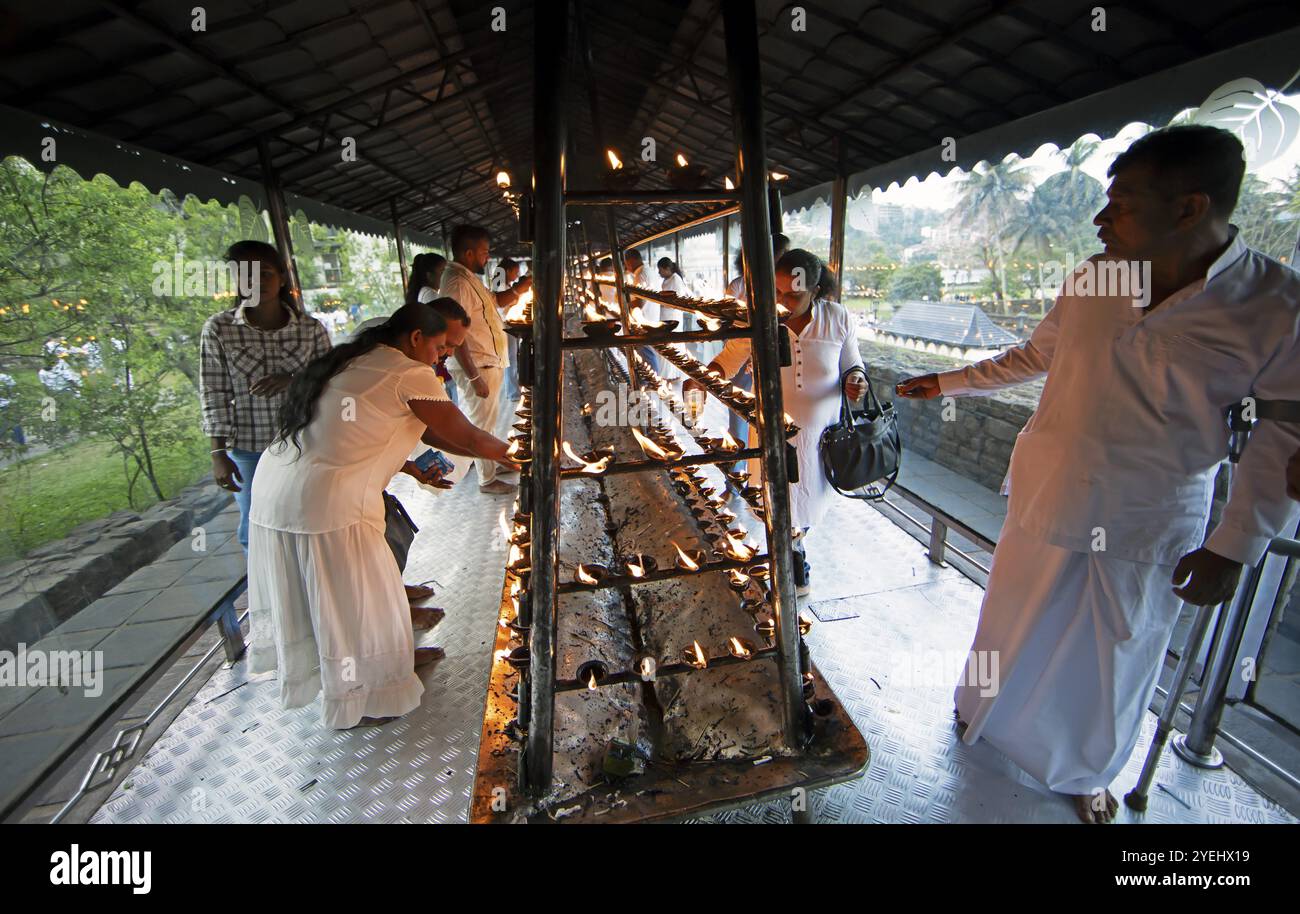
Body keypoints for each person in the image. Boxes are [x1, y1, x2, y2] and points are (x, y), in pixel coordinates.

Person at [897, 125, 1300, 823]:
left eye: (1122, 203)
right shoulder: (1096, 275)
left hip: (1151, 510)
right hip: (1051, 484)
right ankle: (976, 713)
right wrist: (952, 381)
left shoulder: (1274, 305)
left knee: (1121, 647)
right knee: (1007, 619)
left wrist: (1236, 544)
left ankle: (1086, 770)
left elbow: (1283, 431)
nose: (1101, 219)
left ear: (1189, 208)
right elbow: (1036, 355)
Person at [246, 302, 516, 729]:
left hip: (281, 487)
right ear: (414, 339)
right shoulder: (408, 371)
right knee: (354, 602)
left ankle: (390, 668)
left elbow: (426, 431)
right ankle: (358, 699)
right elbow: (462, 433)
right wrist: (521, 453)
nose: (443, 357)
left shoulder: (360, 358)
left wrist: (414, 465)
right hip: (324, 503)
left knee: (368, 593)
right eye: (442, 347)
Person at [685, 249, 865, 597]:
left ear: (816, 289)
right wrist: (700, 379)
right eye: (778, 292)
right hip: (770, 434)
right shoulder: (761, 317)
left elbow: (853, 366)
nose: (784, 301)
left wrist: (856, 381)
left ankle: (793, 556)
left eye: (794, 294)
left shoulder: (838, 318)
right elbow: (729, 359)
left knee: (806, 507)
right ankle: (790, 565)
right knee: (775, 504)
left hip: (818, 439)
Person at [200, 240, 331, 553]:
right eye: (245, 274)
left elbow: (334, 381)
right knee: (256, 528)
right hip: (250, 447)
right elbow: (213, 392)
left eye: (265, 273)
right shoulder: (220, 329)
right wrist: (218, 454)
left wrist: (294, 380)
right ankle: (267, 600)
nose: (255, 282)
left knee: (311, 519)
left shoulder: (310, 329)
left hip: (307, 443)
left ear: (282, 277)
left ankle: (310, 595)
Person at [442, 224, 531, 494]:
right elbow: (453, 334)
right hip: (477, 364)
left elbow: (495, 302)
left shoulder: (469, 278)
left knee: (490, 420)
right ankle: (486, 480)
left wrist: (520, 288)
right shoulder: (457, 283)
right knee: (481, 423)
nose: (486, 257)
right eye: (484, 252)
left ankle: (494, 461)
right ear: (469, 253)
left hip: (487, 361)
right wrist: (473, 376)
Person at [494, 258, 523, 402]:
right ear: (508, 271)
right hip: (504, 325)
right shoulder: (500, 286)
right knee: (510, 359)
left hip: (507, 324)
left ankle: (513, 390)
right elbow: (501, 308)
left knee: (511, 358)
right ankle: (513, 393)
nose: (517, 276)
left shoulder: (504, 285)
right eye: (515, 272)